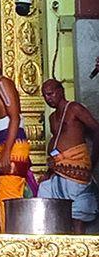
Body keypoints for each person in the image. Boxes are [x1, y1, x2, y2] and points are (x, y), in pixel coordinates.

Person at [0, 48, 36, 232]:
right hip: (5, 147)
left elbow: (15, 118)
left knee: (7, 201)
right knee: (0, 201)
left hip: (11, 149)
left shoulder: (3, 84)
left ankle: (12, 250)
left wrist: (6, 154)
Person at [38, 79, 99, 232]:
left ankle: (80, 252)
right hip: (57, 170)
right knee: (46, 198)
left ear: (61, 91)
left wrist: (92, 161)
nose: (48, 98)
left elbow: (96, 129)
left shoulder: (74, 108)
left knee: (76, 215)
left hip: (76, 169)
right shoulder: (51, 118)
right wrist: (49, 171)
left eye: (50, 94)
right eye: (45, 95)